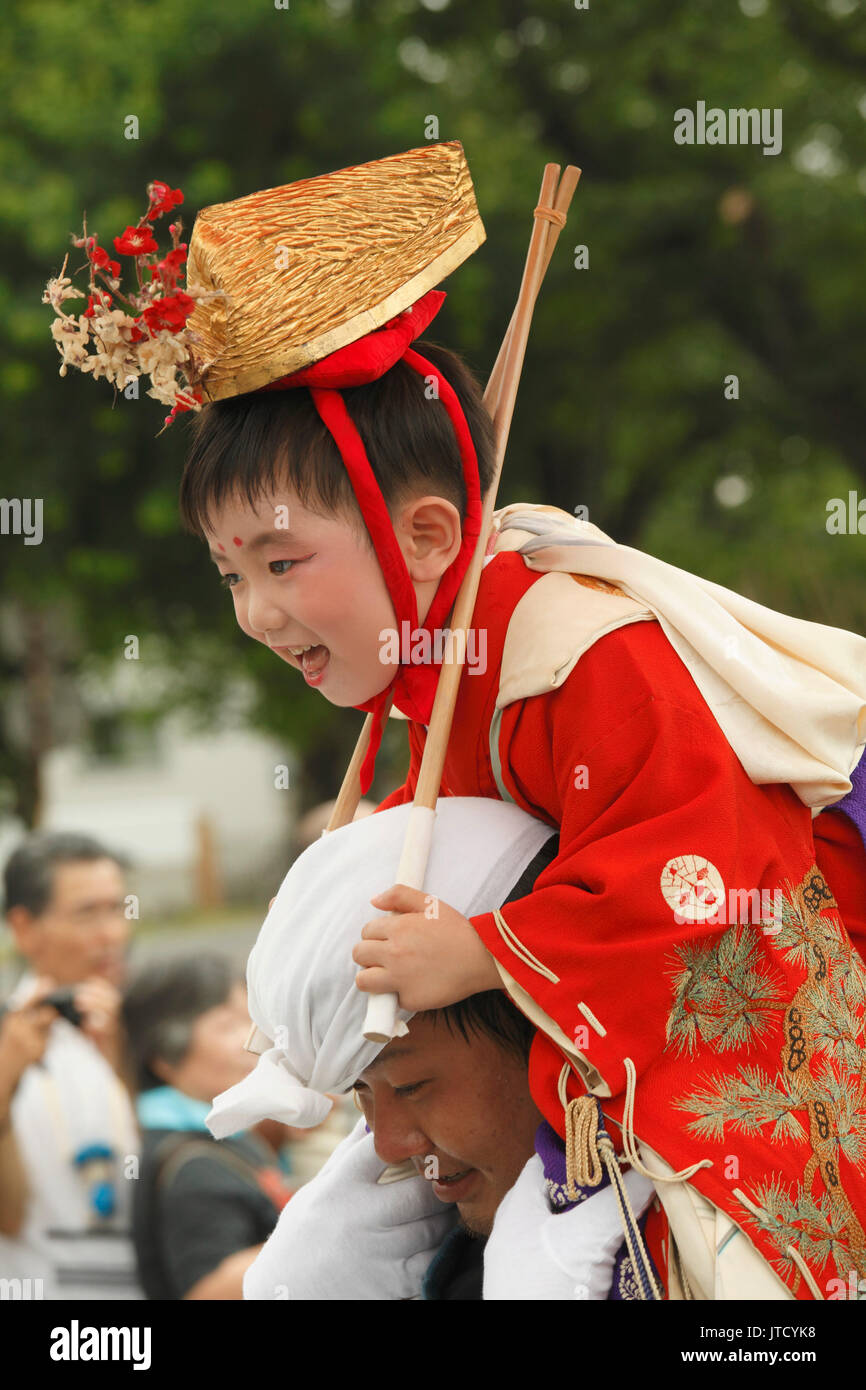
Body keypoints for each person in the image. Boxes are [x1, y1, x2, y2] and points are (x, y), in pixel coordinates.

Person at [47, 143, 866, 1298]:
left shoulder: (584, 652)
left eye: (281, 561)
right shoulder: (432, 664)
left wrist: (485, 950)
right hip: (549, 1063)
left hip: (734, 1037)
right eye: (231, 574)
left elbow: (702, 880)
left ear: (430, 535)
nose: (257, 614)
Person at [207, 796, 658, 1302]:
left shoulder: (698, 1236)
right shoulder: (436, 1262)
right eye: (360, 1090)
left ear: (550, 1035)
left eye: (410, 1086)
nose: (387, 1145)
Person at [0, 832, 141, 1299]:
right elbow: (8, 1216)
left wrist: (126, 1062)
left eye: (117, 909)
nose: (112, 934)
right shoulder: (9, 1038)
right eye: (87, 914)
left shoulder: (153, 1028)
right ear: (24, 928)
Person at [122, 952, 297, 1299]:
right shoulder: (193, 1165)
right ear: (165, 1054)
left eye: (251, 1020)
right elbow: (208, 1290)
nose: (252, 1041)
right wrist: (327, 1232)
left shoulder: (220, 1135)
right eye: (227, 1026)